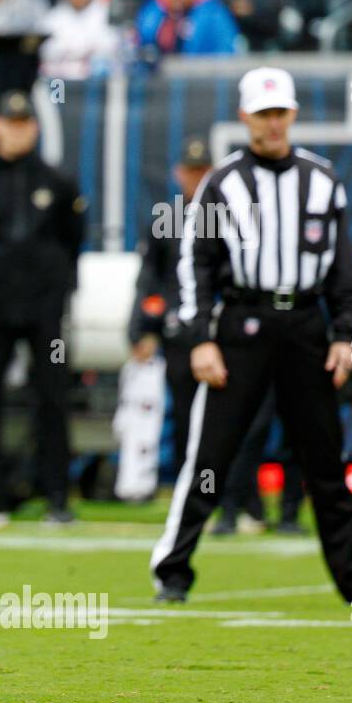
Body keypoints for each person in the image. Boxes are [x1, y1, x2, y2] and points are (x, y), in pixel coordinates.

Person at [148, 67, 352, 607]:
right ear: (245, 118)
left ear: (293, 114)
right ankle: (172, 570)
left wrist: (345, 336)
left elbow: (345, 274)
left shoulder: (323, 179)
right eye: (263, 114)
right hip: (242, 325)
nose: (273, 123)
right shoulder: (223, 183)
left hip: (306, 325)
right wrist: (201, 339)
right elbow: (198, 268)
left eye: (280, 112)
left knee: (326, 460)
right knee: (208, 456)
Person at [0, 90, 85, 526]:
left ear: (36, 127)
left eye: (25, 123)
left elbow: (72, 239)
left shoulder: (58, 182)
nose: (17, 131)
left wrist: (57, 289)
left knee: (52, 397)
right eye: (10, 123)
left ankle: (56, 495)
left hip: (44, 307)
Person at [129, 135, 213, 477]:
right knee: (183, 411)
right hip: (180, 331)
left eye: (202, 170)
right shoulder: (167, 218)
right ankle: (187, 483)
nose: (196, 178)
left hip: (220, 330)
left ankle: (234, 498)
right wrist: (142, 329)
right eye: (191, 171)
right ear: (179, 173)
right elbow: (151, 278)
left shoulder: (228, 218)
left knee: (228, 415)